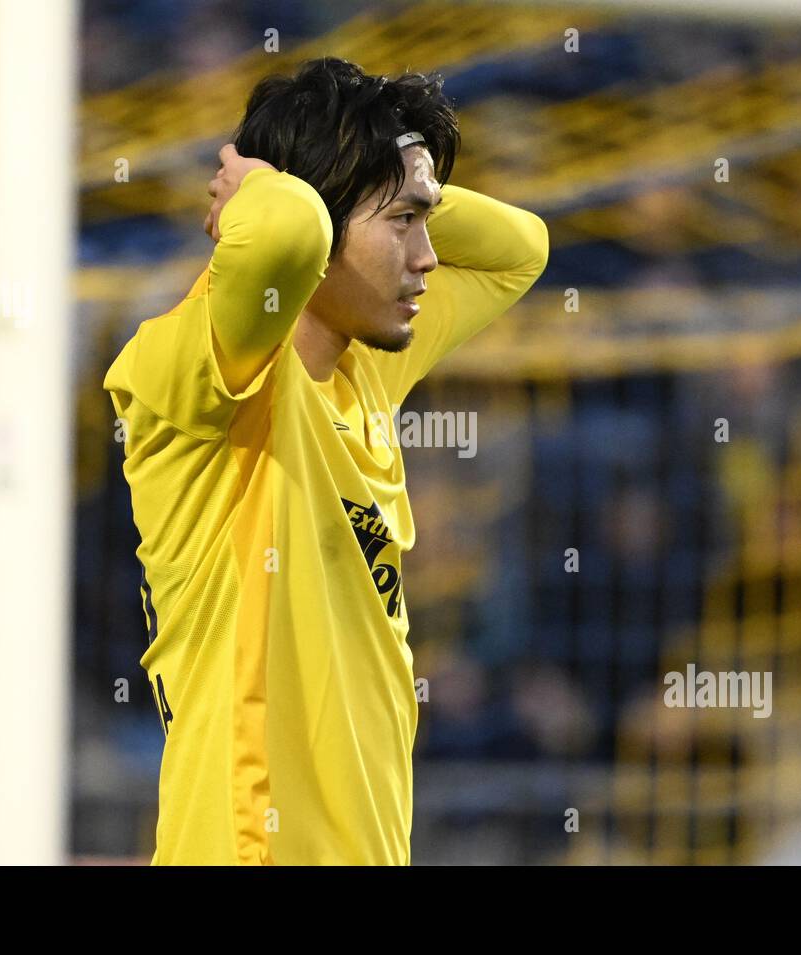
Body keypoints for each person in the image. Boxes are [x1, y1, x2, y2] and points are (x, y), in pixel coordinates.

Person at [103, 56, 549, 864]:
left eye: (427, 221)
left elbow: (524, 247)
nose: (427, 258)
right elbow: (284, 235)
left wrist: (395, 182)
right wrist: (278, 192)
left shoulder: (367, 366)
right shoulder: (195, 371)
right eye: (404, 223)